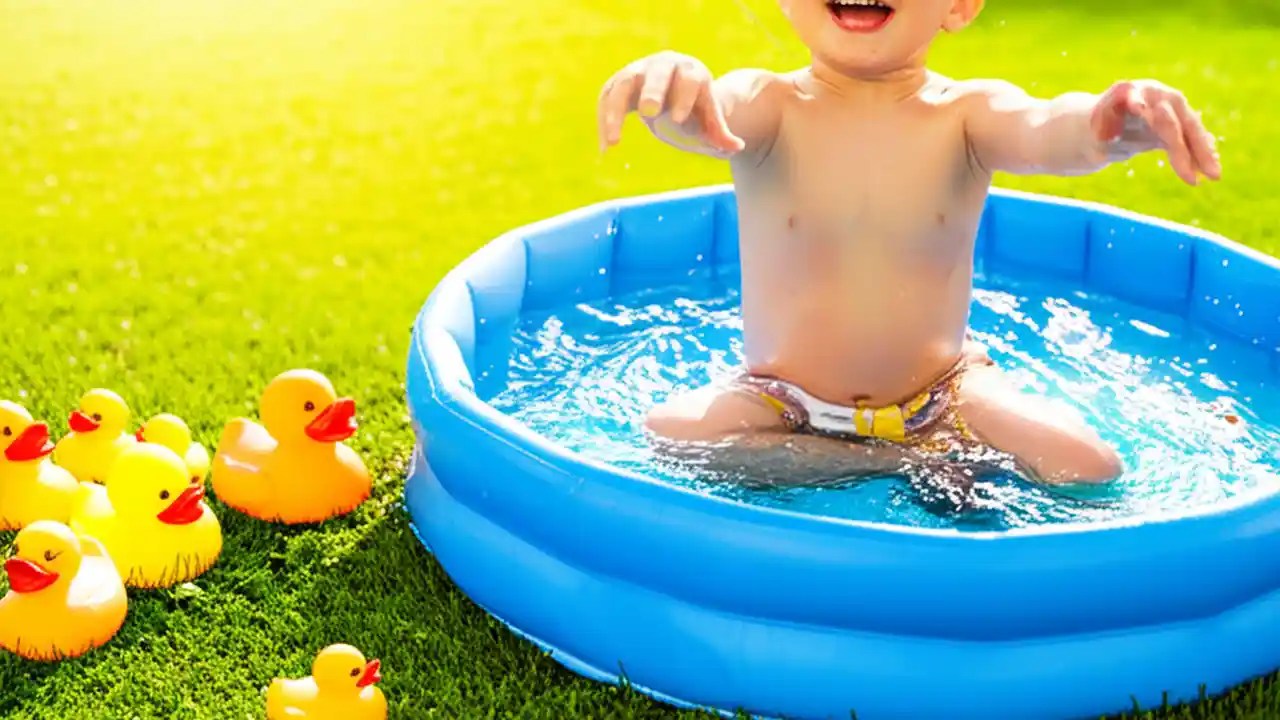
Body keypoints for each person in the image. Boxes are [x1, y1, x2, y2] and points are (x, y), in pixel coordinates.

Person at [596, 0, 1221, 486]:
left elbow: (1045, 128)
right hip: (779, 397)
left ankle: (909, 449)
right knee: (672, 434)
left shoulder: (969, 114)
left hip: (944, 392)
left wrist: (1107, 123)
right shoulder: (769, 103)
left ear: (960, 6)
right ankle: (898, 465)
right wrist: (675, 91)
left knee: (1086, 465)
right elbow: (706, 120)